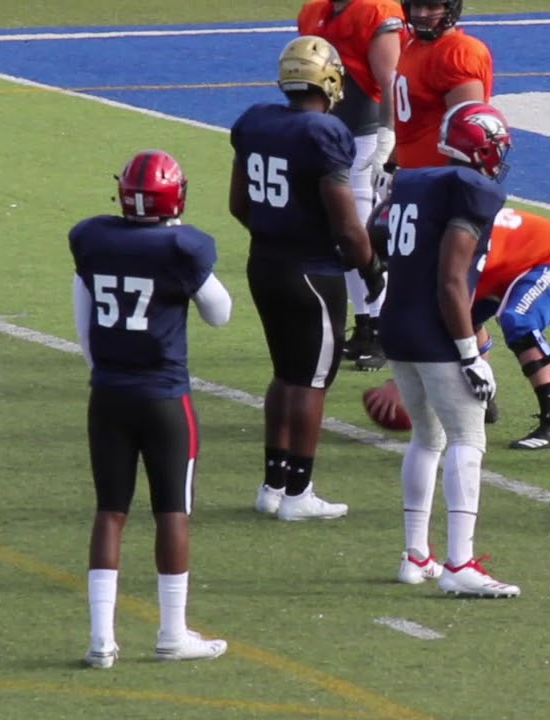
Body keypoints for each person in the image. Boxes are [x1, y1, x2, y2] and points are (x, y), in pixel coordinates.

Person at [71, 149, 231, 668]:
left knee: (110, 512)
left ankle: (100, 639)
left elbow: (85, 330)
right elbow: (220, 313)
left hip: (109, 393)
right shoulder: (182, 246)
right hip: (164, 396)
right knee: (172, 511)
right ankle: (171, 632)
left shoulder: (93, 240)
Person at [229, 35, 386, 521]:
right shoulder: (324, 132)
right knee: (312, 382)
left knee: (285, 375)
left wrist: (279, 231)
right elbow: (346, 224)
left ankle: (273, 484)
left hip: (264, 264)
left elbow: (239, 205)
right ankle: (299, 492)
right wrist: (371, 268)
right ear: (330, 78)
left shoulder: (256, 121)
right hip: (312, 273)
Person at [376, 101, 519, 597]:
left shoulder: (412, 180)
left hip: (395, 323)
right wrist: (469, 352)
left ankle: (416, 555)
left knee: (426, 438)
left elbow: (377, 232)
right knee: (466, 440)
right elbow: (452, 281)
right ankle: (459, 563)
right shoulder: (472, 190)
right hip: (436, 331)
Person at [367, 206, 550, 450]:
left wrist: (404, 383)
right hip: (508, 261)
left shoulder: (457, 243)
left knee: (518, 320)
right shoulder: (442, 231)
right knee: (455, 318)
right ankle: (482, 399)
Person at [298, 0, 405, 370]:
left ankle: (383, 326)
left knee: (360, 232)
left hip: (365, 134)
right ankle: (365, 324)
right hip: (329, 134)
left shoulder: (376, 10)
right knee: (340, 234)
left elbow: (391, 80)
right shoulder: (315, 11)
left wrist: (388, 137)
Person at [389, 0, 494, 171]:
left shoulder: (458, 52)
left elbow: (468, 135)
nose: (422, 14)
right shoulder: (412, 42)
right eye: (417, 6)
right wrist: (393, 161)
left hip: (439, 177)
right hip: (412, 173)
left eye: (432, 7)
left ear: (450, 8)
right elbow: (412, 122)